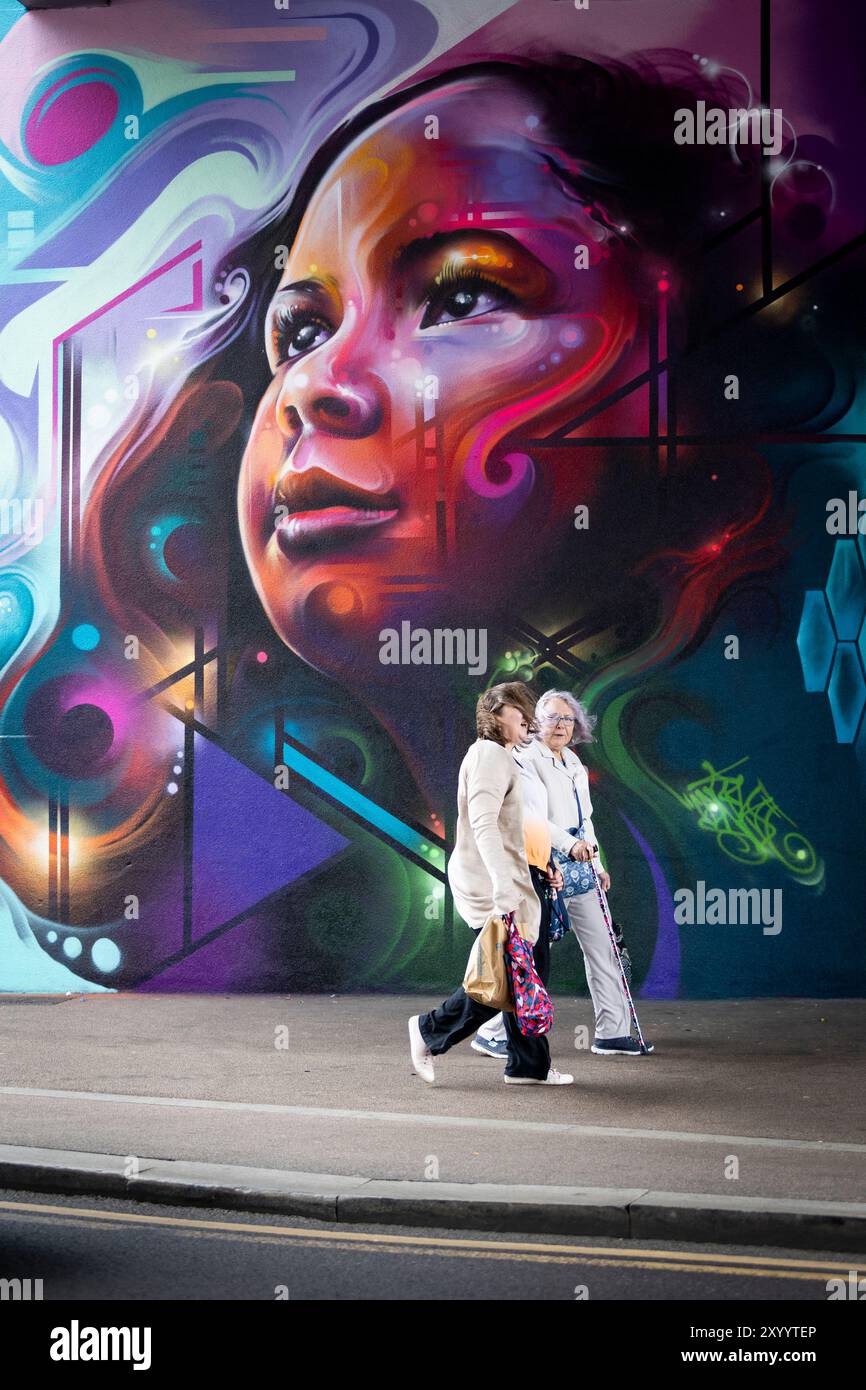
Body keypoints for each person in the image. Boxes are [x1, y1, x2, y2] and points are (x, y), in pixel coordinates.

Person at [409, 682, 573, 1085]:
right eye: (522, 713)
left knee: (525, 974)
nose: (530, 722)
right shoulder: (488, 756)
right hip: (498, 885)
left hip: (518, 878)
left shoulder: (502, 757)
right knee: (504, 977)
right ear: (498, 712)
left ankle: (527, 1067)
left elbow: (518, 825)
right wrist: (505, 887)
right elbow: (483, 825)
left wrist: (542, 863)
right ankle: (428, 1029)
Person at [520, 689, 654, 1056]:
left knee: (604, 947)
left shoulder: (574, 763)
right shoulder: (525, 759)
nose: (561, 725)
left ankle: (612, 1032)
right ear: (535, 721)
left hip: (581, 865)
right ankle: (497, 1031)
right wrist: (568, 846)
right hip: (543, 865)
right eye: (552, 717)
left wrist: (595, 862)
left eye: (567, 718)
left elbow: (585, 820)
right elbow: (532, 819)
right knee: (529, 954)